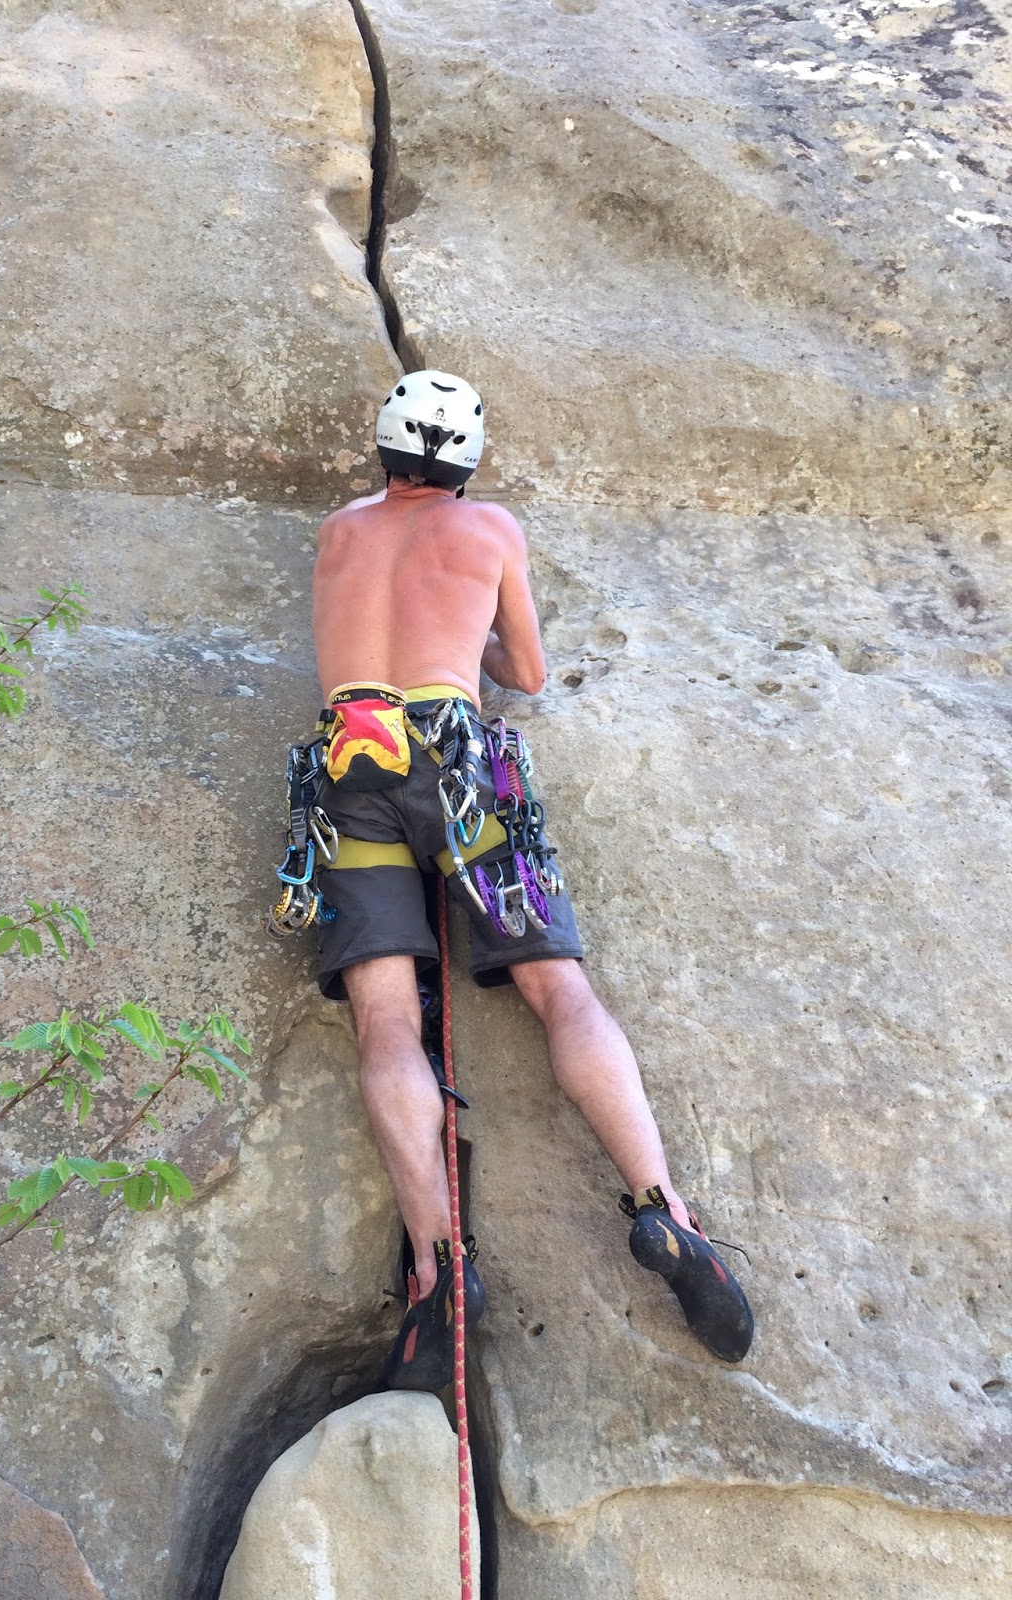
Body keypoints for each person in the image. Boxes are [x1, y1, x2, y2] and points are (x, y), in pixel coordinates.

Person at [287, 369, 753, 1387]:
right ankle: (661, 1210)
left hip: (351, 762)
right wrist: (470, 629)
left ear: (382, 448)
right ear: (466, 462)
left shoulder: (336, 532)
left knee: (386, 1023)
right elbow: (527, 673)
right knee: (557, 987)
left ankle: (437, 1269)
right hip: (460, 766)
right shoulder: (489, 529)